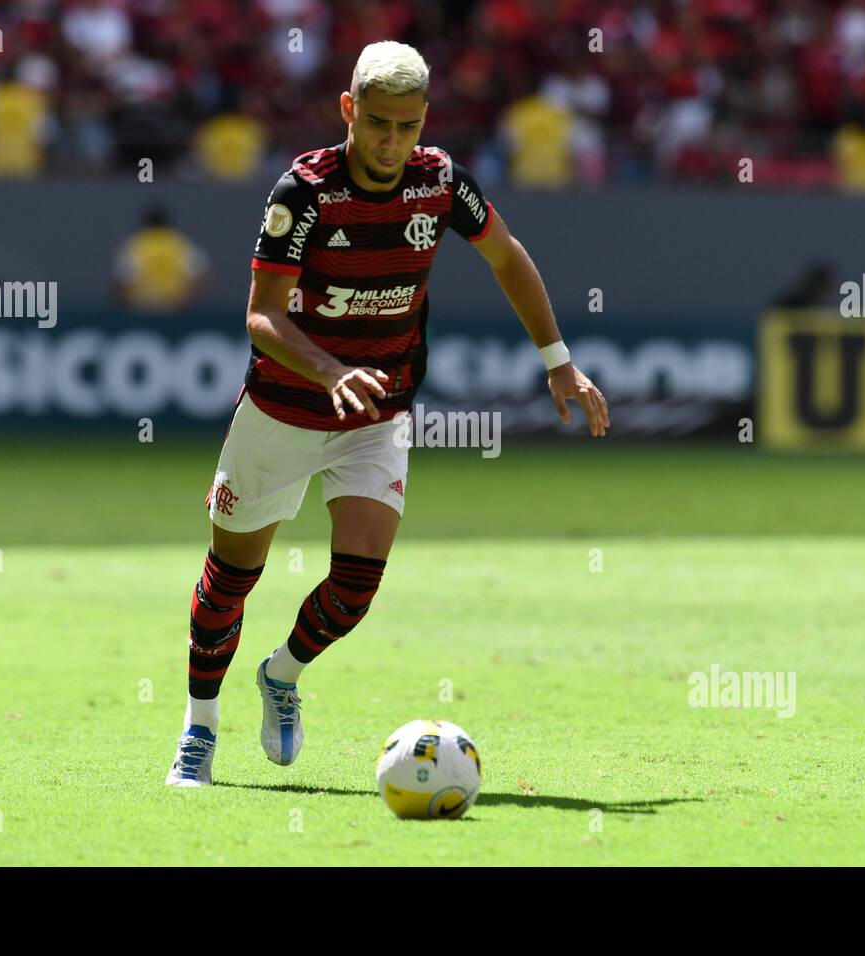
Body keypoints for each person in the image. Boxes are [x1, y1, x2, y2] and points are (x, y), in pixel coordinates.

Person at [167, 40, 610, 787]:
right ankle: (199, 728)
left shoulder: (441, 184)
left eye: (406, 127)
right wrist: (331, 370)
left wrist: (557, 358)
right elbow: (262, 318)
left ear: (424, 120)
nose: (390, 142)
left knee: (358, 583)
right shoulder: (303, 192)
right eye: (376, 123)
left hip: (377, 412)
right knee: (231, 577)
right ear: (348, 109)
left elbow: (507, 256)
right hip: (283, 408)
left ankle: (281, 673)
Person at [114, 205, 209, 312]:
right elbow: (200, 277)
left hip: (144, 308)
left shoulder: (136, 245)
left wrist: (131, 304)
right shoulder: (180, 244)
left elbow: (124, 282)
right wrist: (185, 300)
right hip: (176, 308)